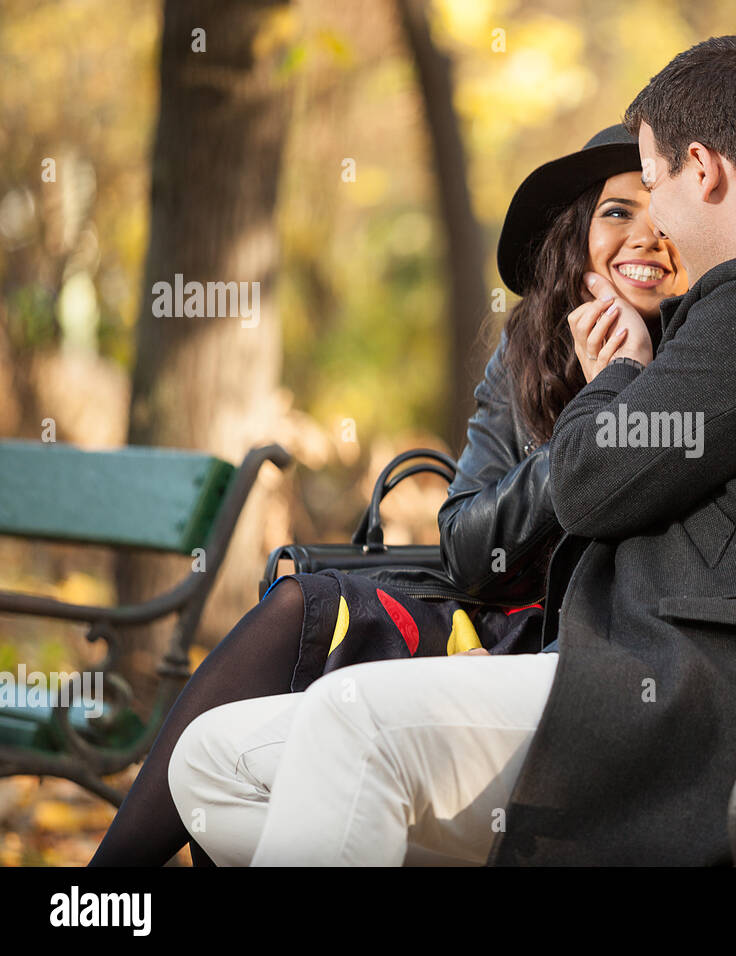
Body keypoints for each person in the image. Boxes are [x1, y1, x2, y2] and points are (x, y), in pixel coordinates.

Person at [176, 34, 736, 867]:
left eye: (652, 183)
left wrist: (617, 372)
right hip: (684, 687)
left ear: (704, 168)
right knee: (211, 762)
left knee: (353, 723)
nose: (656, 221)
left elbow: (587, 483)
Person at [86, 124, 685, 866]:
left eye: (663, 217)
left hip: (574, 655)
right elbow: (467, 545)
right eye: (617, 212)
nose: (645, 237)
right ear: (578, 236)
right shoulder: (527, 349)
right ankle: (100, 890)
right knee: (298, 606)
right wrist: (584, 424)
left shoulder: (701, 361)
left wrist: (624, 388)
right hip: (488, 615)